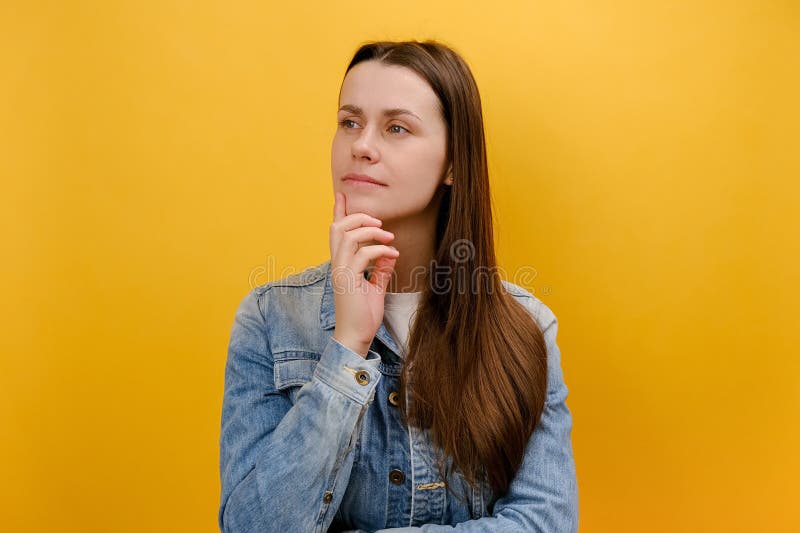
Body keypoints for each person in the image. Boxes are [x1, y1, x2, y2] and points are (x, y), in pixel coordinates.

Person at [218, 40, 578, 533]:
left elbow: (547, 522)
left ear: (453, 163)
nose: (361, 146)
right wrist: (348, 348)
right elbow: (252, 526)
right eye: (350, 122)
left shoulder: (527, 326)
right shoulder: (270, 319)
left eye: (396, 128)